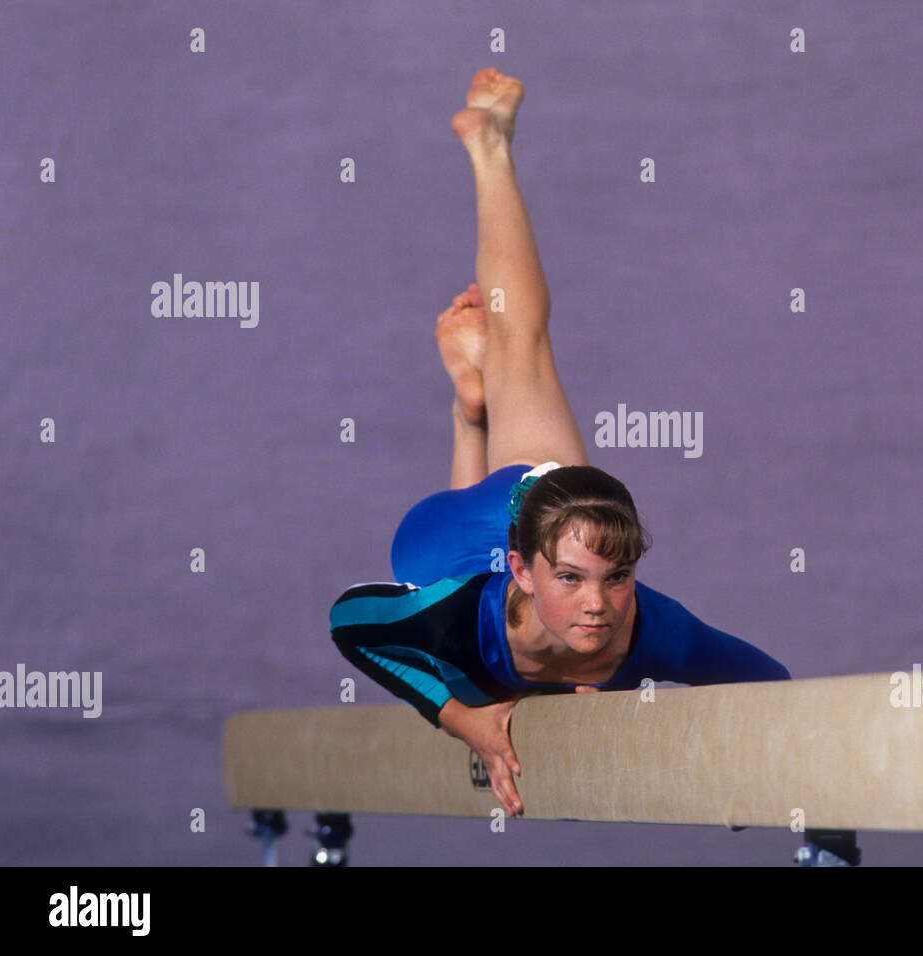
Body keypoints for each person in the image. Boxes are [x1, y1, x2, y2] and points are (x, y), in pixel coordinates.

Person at [330, 68, 789, 819]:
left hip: (498, 538)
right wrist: (459, 717)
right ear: (524, 570)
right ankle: (489, 153)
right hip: (456, 540)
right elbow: (350, 620)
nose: (599, 606)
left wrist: (758, 775)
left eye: (618, 578)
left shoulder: (653, 628)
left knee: (553, 483)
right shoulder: (453, 613)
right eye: (574, 580)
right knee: (524, 339)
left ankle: (471, 409)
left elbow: (773, 690)